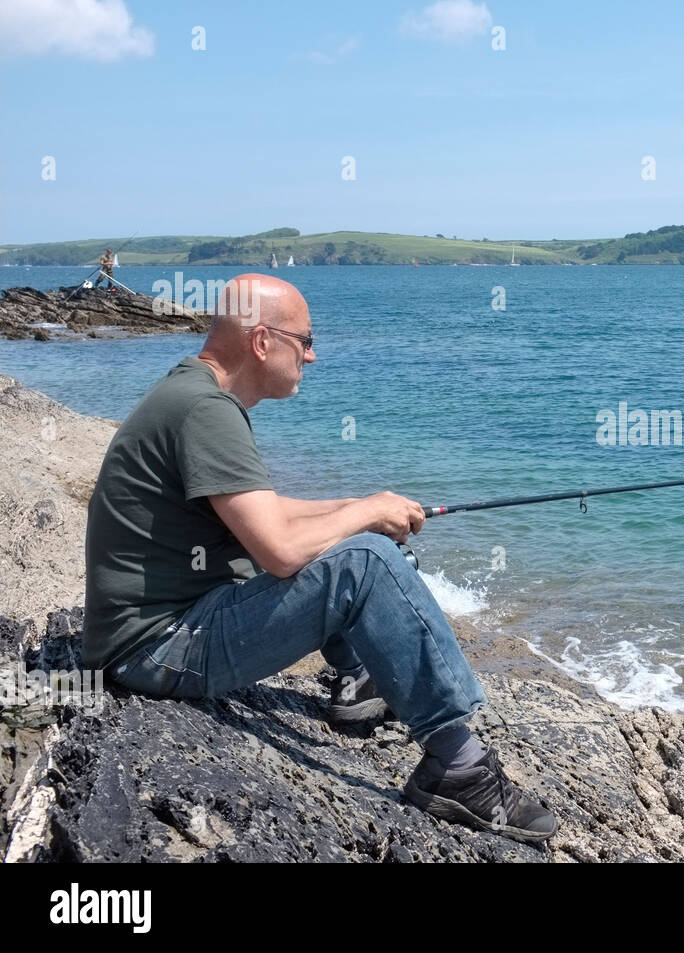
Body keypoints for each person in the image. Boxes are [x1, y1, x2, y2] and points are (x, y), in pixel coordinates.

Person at [83, 273, 556, 844]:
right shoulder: (206, 410)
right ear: (263, 341)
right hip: (158, 649)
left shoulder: (193, 393)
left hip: (162, 627)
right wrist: (364, 520)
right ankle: (458, 768)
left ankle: (360, 681)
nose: (313, 353)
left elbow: (264, 511)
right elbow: (279, 551)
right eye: (304, 340)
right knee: (369, 562)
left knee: (367, 545)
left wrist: (359, 506)